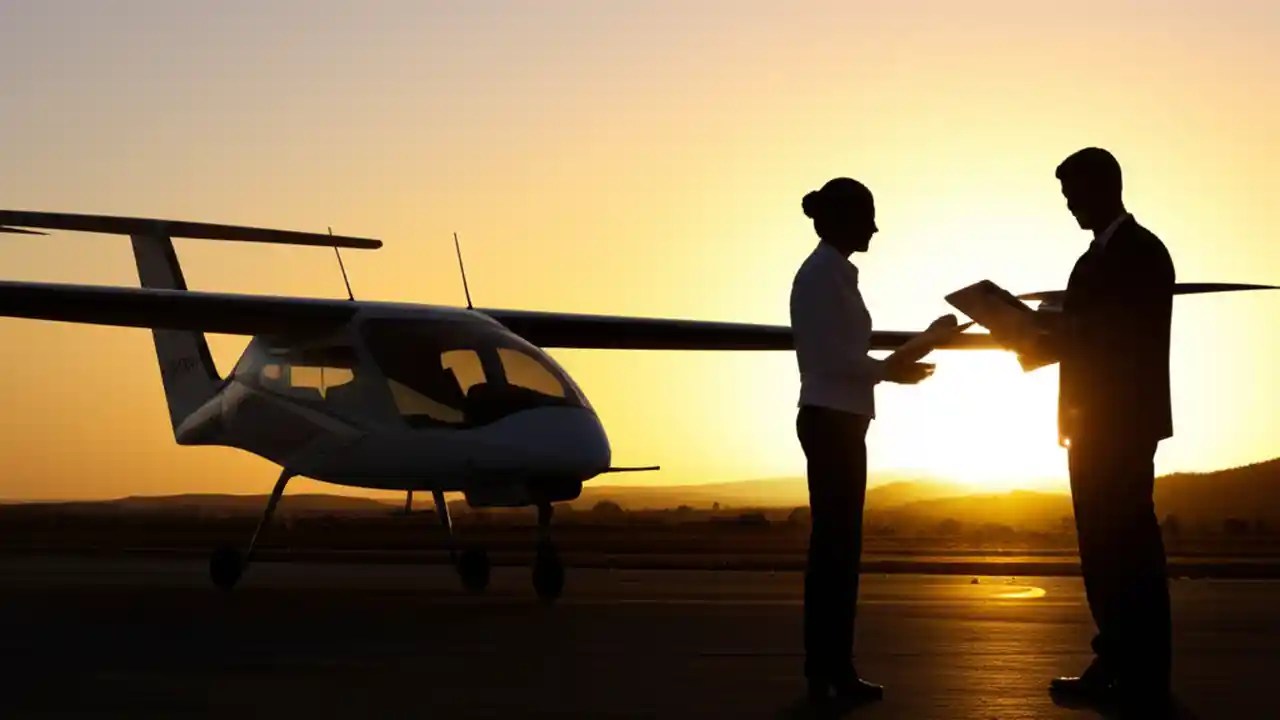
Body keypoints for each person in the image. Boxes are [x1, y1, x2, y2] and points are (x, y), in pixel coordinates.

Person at [1007, 148, 1175, 711]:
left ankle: (1143, 670)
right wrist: (1029, 336)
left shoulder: (1142, 253)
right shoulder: (1091, 261)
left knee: (1129, 548)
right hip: (1090, 424)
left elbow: (1118, 337)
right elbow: (1084, 337)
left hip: (1122, 423)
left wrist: (1046, 328)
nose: (1070, 206)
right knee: (1099, 549)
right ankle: (1116, 659)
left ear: (1104, 188)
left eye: (1074, 194)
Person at [789, 177, 944, 708]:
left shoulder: (832, 276)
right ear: (843, 220)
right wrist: (892, 370)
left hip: (842, 418)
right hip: (832, 420)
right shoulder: (820, 278)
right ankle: (830, 669)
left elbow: (844, 357)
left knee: (838, 551)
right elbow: (836, 360)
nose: (875, 228)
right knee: (835, 552)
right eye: (867, 217)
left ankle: (831, 668)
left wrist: (908, 351)